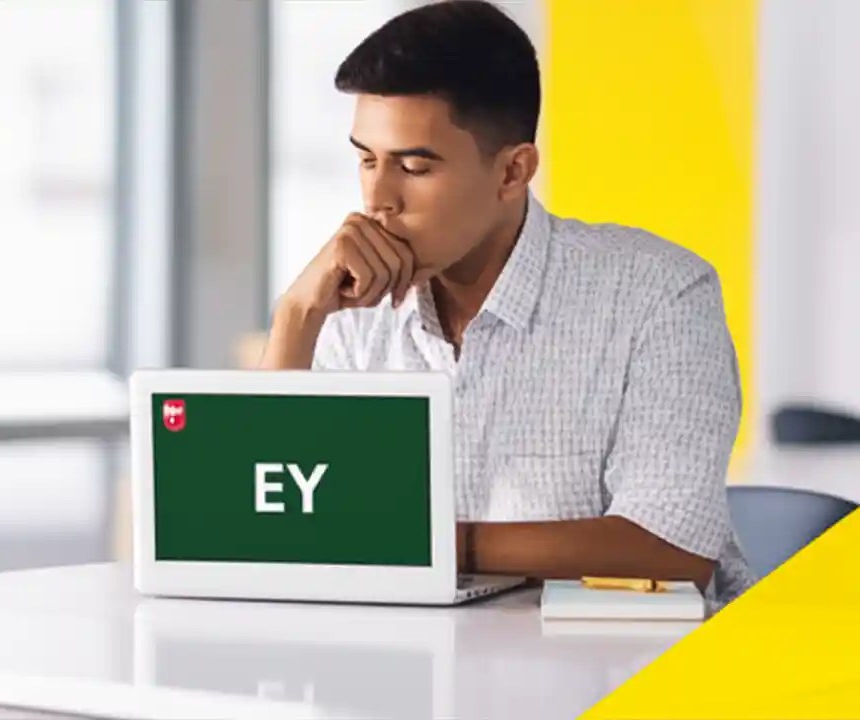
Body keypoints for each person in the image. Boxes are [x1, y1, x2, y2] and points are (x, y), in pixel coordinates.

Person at [261, 0, 754, 605]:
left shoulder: (660, 294)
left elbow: (671, 548)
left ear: (513, 172)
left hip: (626, 660)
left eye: (413, 167)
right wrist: (296, 317)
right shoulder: (350, 309)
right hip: (414, 654)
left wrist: (429, 540)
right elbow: (270, 527)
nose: (378, 199)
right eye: (366, 160)